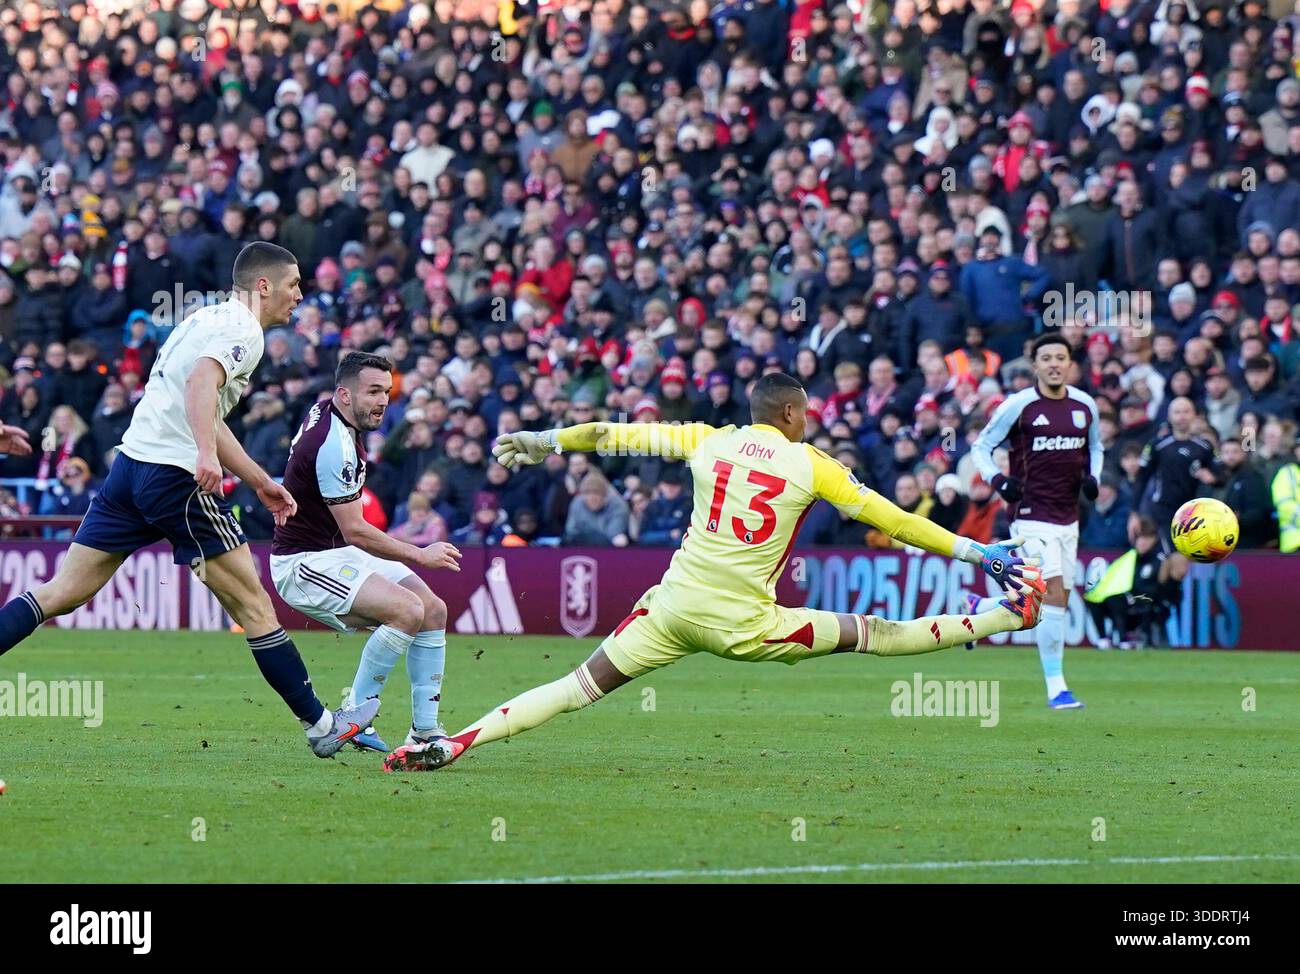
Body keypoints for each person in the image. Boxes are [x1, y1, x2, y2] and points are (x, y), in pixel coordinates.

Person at [383, 372, 1045, 773]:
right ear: (790, 415)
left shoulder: (708, 440)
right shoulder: (812, 464)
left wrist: (547, 441)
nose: (808, 418)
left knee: (574, 686)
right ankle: (1010, 614)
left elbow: (615, 434)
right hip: (750, 626)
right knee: (881, 633)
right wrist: (974, 552)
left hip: (670, 611)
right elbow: (898, 523)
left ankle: (460, 739)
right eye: (805, 410)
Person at [0, 243, 378, 759]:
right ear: (262, 285)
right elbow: (201, 386)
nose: (300, 294)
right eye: (293, 284)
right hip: (174, 478)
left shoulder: (202, 319)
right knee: (254, 605)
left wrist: (257, 480)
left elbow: (206, 407)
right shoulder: (245, 330)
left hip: (129, 468)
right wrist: (205, 456)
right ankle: (321, 725)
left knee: (62, 591)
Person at [270, 352, 462, 753]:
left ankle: (424, 731)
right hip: (303, 562)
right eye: (373, 391)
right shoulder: (334, 444)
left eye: (387, 392)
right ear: (343, 394)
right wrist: (419, 553)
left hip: (336, 550)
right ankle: (352, 718)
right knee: (406, 610)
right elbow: (355, 529)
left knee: (434, 609)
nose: (383, 401)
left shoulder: (332, 413)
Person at [970, 333, 1102, 710]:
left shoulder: (1084, 405)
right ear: (1036, 365)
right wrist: (998, 481)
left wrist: (1093, 476)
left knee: (1041, 599)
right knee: (1054, 592)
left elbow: (1096, 446)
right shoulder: (1020, 405)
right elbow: (982, 445)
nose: (1054, 364)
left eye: (1060, 357)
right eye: (1047, 358)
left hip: (1067, 516)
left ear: (1070, 363)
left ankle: (979, 607)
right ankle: (1057, 688)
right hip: (1029, 514)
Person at [1084, 516, 1189, 649]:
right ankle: (1103, 638)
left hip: (1146, 603)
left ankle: (1124, 638)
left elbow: (1155, 591)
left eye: (1146, 538)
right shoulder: (1129, 559)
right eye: (1139, 538)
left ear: (1154, 539)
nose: (1142, 542)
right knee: (1093, 598)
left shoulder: (1160, 560)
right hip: (1127, 602)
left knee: (1118, 598)